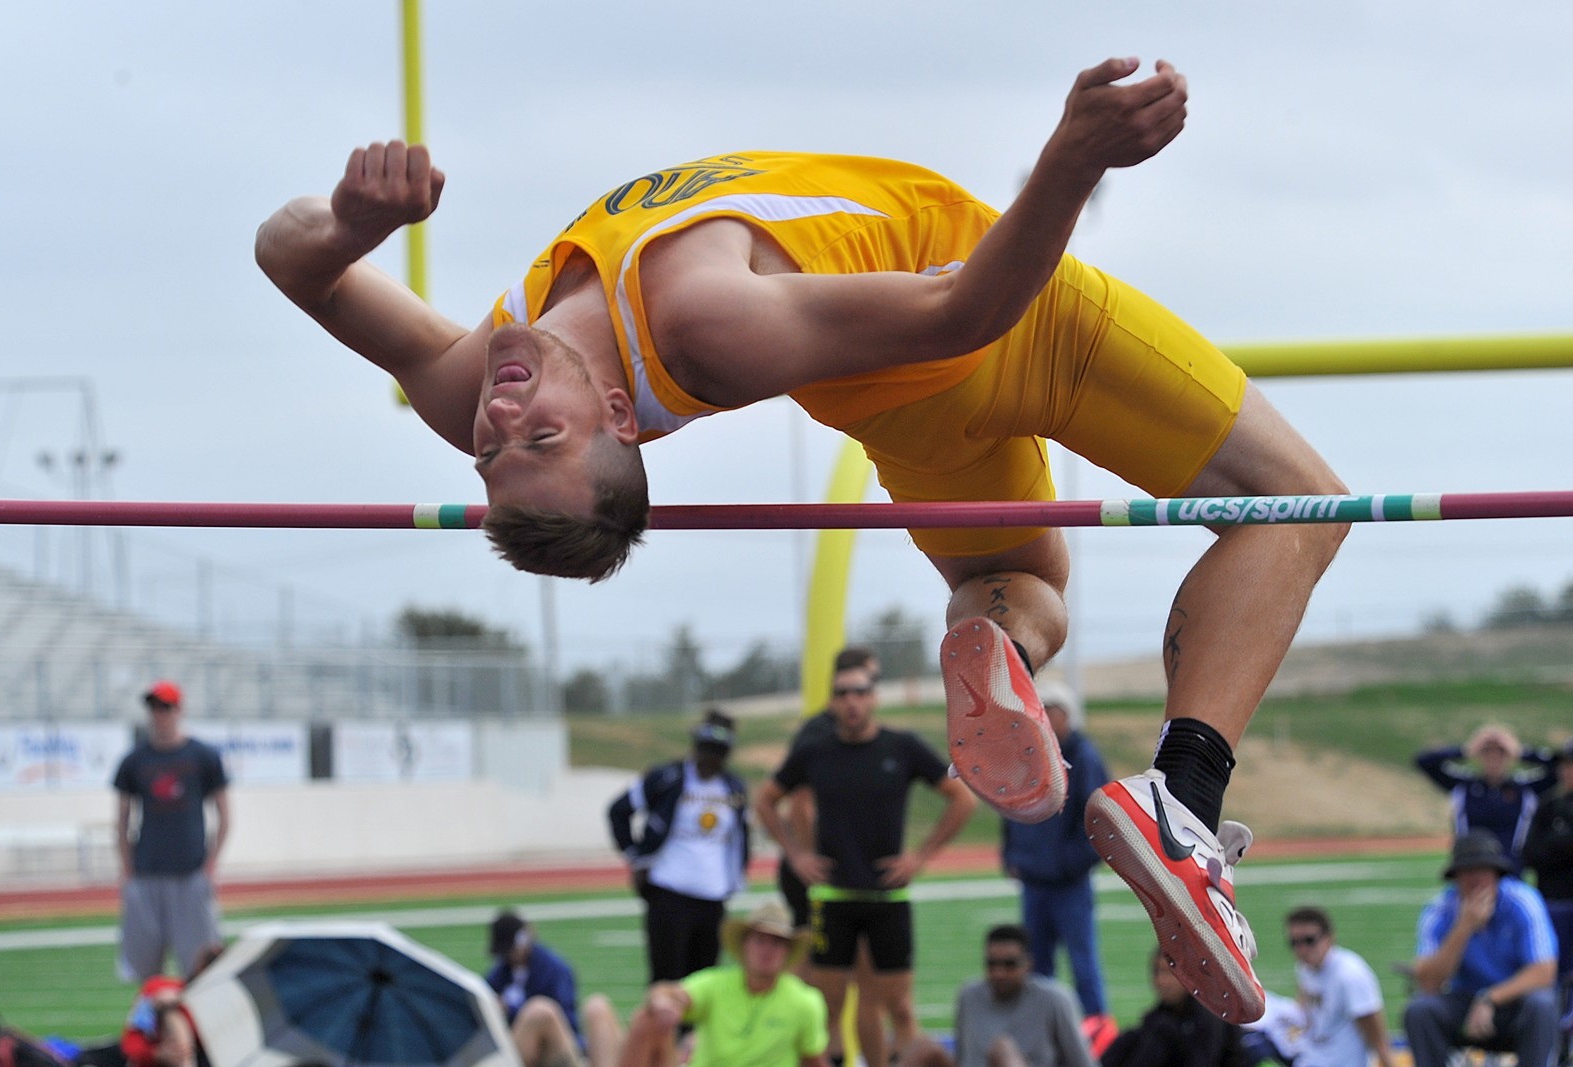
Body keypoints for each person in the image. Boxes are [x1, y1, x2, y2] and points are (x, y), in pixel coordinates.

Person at [256, 55, 1349, 1021]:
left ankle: (997, 646)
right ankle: (1183, 801)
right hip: (1008, 312)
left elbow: (286, 255)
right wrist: (1072, 159)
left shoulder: (474, 384)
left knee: (1020, 580)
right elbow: (963, 314)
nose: (498, 422)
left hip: (897, 406)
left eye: (500, 448)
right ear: (623, 420)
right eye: (536, 430)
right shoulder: (697, 319)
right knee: (1296, 501)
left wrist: (356, 223)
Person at [754, 657, 976, 1067]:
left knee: (901, 1009)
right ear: (833, 702)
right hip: (831, 898)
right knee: (825, 1011)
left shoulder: (901, 747)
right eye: (842, 694)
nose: (851, 701)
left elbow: (961, 798)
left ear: (873, 698)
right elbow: (766, 799)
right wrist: (797, 854)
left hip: (887, 898)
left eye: (859, 692)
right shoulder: (815, 751)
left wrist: (920, 857)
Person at [770, 646, 891, 1058]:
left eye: (869, 688)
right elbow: (799, 804)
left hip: (846, 873)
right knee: (831, 984)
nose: (864, 696)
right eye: (860, 686)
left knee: (850, 984)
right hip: (826, 877)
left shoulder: (858, 736)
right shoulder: (820, 734)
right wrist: (808, 861)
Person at [999, 679, 1113, 1034]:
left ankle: (1098, 1034)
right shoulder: (1027, 755)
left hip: (1068, 884)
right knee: (1035, 967)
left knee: (1083, 963)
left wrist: (1067, 863)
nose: (1045, 716)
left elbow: (1100, 821)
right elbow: (1009, 805)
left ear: (1068, 714)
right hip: (1035, 880)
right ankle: (1040, 1033)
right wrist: (1013, 854)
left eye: (1051, 709)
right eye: (1041, 708)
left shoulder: (1084, 759)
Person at [607, 710, 750, 983]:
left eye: (718, 752)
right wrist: (636, 857)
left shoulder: (734, 789)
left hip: (713, 899)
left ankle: (692, 1030)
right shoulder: (667, 779)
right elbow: (618, 811)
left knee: (704, 986)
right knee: (666, 985)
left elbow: (741, 838)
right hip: (669, 895)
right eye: (705, 749)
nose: (710, 759)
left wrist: (735, 879)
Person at [1403, 830, 1560, 1067]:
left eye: (1483, 871)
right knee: (1419, 1010)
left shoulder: (1523, 902)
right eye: (1467, 872)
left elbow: (1543, 971)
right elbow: (1428, 981)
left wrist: (1489, 998)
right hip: (1463, 999)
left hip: (1515, 1001)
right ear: (1456, 877)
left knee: (1541, 1004)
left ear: (1497, 875)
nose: (1475, 879)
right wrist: (1464, 927)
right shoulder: (1439, 911)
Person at [112, 681, 231, 983]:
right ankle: (153, 1027)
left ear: (179, 710)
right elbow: (122, 819)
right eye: (154, 707)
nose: (159, 714)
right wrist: (127, 870)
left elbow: (224, 814)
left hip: (190, 874)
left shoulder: (203, 757)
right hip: (146, 874)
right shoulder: (134, 761)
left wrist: (210, 866)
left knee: (201, 967)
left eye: (165, 707)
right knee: (144, 971)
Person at [618, 899, 826, 1067]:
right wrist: (663, 1003)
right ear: (744, 946)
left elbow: (813, 1059)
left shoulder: (805, 1001)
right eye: (760, 940)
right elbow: (668, 991)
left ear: (787, 952)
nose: (767, 950)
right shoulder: (716, 984)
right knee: (646, 1018)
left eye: (776, 943)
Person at [897, 924, 1095, 1067]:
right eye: (992, 964)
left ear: (1028, 964)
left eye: (1009, 964)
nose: (999, 973)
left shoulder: (1054, 999)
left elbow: (1082, 1062)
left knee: (1003, 1050)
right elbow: (961, 1057)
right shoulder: (969, 995)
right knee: (925, 1048)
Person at [485, 910, 622, 1067]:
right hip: (522, 1049)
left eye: (511, 950)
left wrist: (511, 1009)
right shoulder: (501, 972)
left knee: (544, 1011)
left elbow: (565, 1019)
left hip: (560, 1048)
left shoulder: (554, 970)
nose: (509, 956)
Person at [1415, 723, 1558, 871]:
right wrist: (1465, 750)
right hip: (1468, 868)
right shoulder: (1464, 786)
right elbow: (1425, 761)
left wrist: (1521, 751)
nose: (1494, 757)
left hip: (1511, 870)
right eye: (1487, 751)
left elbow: (1557, 768)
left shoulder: (1523, 788)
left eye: (1501, 752)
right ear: (1478, 755)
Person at [1279, 905, 1396, 1067]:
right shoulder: (1305, 968)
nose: (1302, 949)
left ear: (1329, 938)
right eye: (1294, 943)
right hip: (1312, 1057)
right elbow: (1304, 1011)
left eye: (1309, 941)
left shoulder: (1350, 975)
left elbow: (1377, 1037)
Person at [1101, 947, 1250, 1067]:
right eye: (1157, 972)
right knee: (1131, 1037)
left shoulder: (1211, 1013)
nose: (1161, 981)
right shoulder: (1163, 1013)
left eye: (1168, 973)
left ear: (1189, 975)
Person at [1521, 738, 1573, 993]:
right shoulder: (1548, 806)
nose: (1567, 772)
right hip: (1553, 901)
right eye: (1565, 766)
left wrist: (1556, 846)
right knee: (1554, 970)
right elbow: (1530, 854)